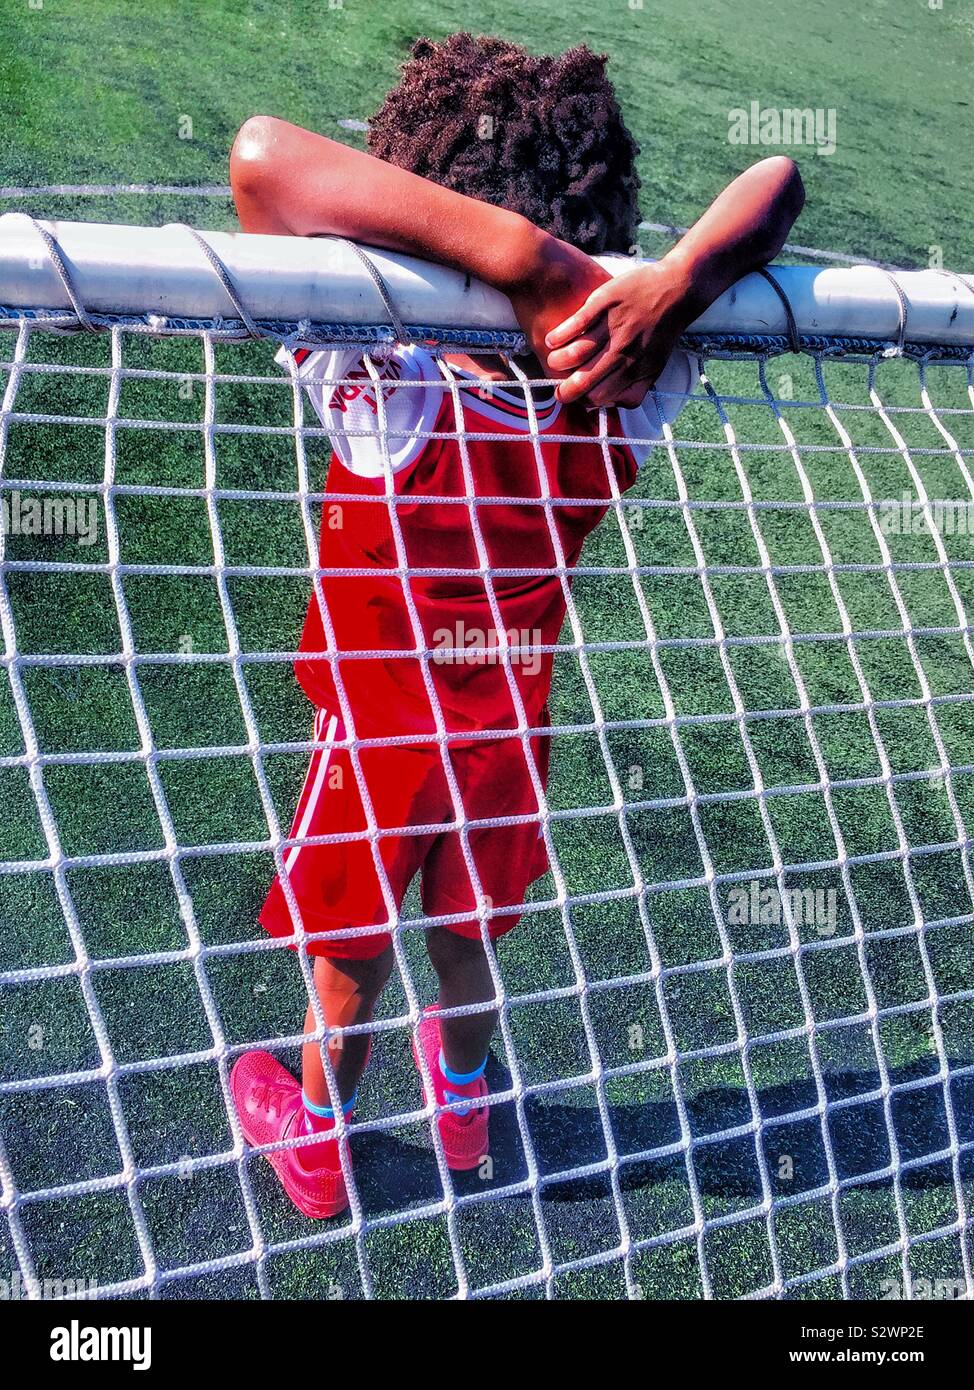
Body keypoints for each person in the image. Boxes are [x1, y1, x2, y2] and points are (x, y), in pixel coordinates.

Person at [228, 32, 805, 1218]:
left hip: (375, 746)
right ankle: (462, 1095)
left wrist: (517, 264)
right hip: (505, 742)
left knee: (347, 959)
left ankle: (319, 1136)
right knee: (467, 938)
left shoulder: (388, 386)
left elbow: (261, 161)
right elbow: (779, 180)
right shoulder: (631, 385)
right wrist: (672, 277)